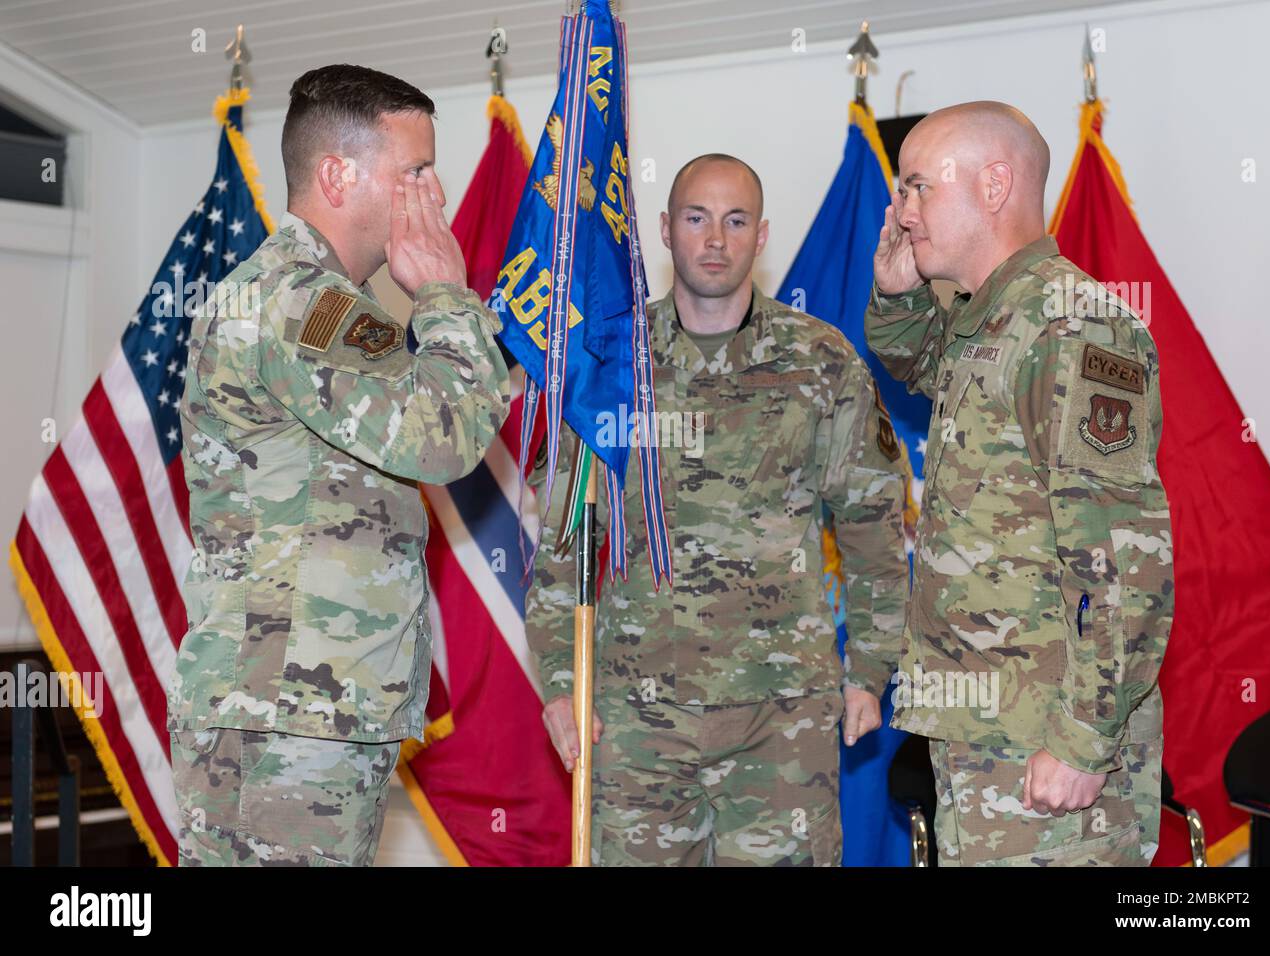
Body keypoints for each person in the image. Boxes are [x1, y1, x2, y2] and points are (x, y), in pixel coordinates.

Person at [166, 64, 510, 866]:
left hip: (303, 704)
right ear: (336, 174)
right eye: (415, 172)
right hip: (288, 712)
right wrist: (448, 298)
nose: (433, 193)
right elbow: (445, 437)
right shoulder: (303, 303)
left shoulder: (319, 301)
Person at [525, 154, 909, 866]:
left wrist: (870, 671)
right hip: (636, 723)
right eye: (697, 218)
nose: (715, 239)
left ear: (761, 236)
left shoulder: (820, 363)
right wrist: (558, 685)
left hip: (780, 719)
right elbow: (562, 543)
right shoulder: (604, 367)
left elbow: (874, 529)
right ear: (666, 230)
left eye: (735, 221)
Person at [866, 100, 1173, 865]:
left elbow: (1122, 557)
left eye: (916, 187)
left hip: (1046, 742)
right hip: (985, 728)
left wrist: (1082, 740)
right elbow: (918, 365)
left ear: (995, 185)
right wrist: (899, 293)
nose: (900, 210)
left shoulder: (1072, 325)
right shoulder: (990, 318)